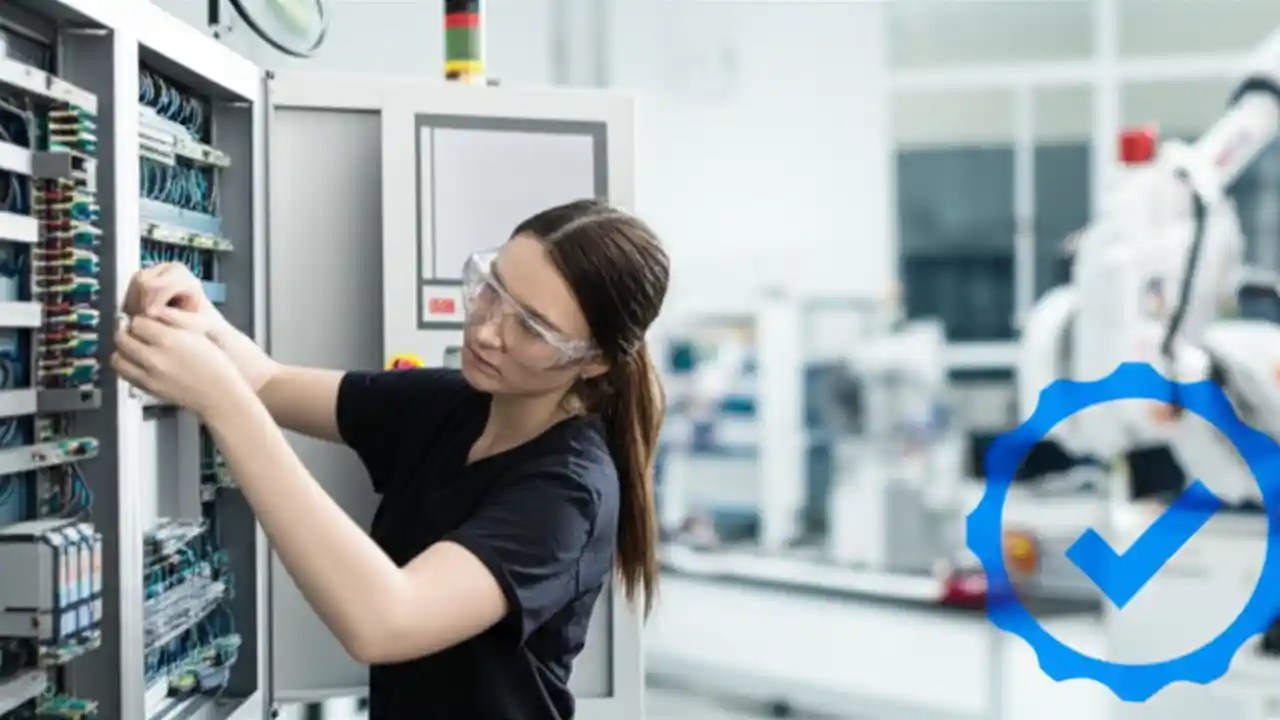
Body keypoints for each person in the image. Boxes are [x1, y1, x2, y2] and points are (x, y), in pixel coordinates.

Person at [113, 199, 671, 720]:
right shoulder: (456, 403)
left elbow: (385, 620)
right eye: (492, 289)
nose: (487, 329)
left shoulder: (567, 492)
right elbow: (268, 382)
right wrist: (201, 316)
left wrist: (222, 403)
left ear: (594, 361)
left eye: (529, 326)